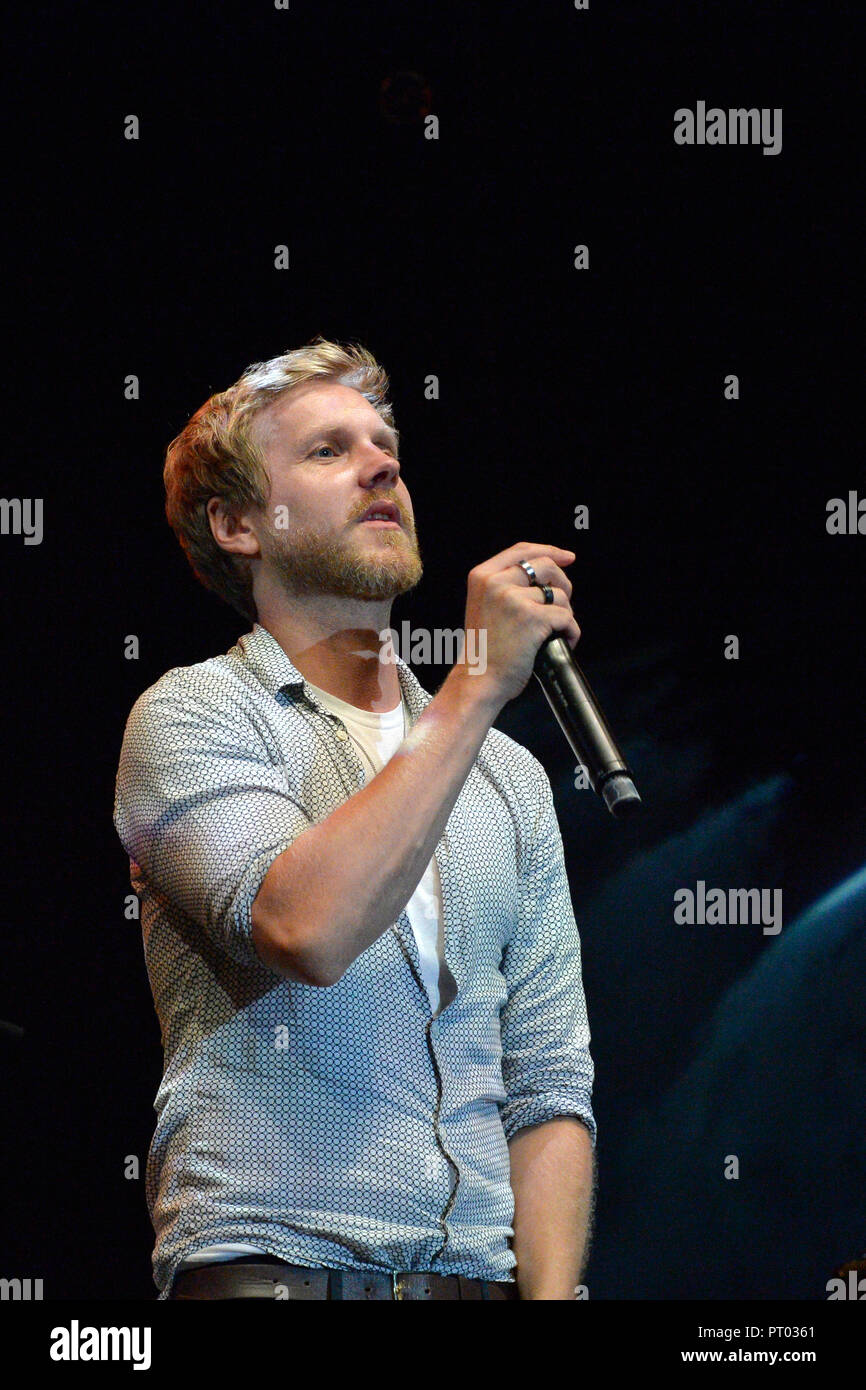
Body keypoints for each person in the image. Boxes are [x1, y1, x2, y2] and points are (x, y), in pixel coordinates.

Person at [113, 336, 597, 1301]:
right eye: (329, 451)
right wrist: (475, 685)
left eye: (387, 446)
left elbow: (549, 1084)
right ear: (238, 523)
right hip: (276, 1270)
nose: (383, 464)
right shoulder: (196, 715)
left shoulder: (506, 775)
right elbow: (306, 926)